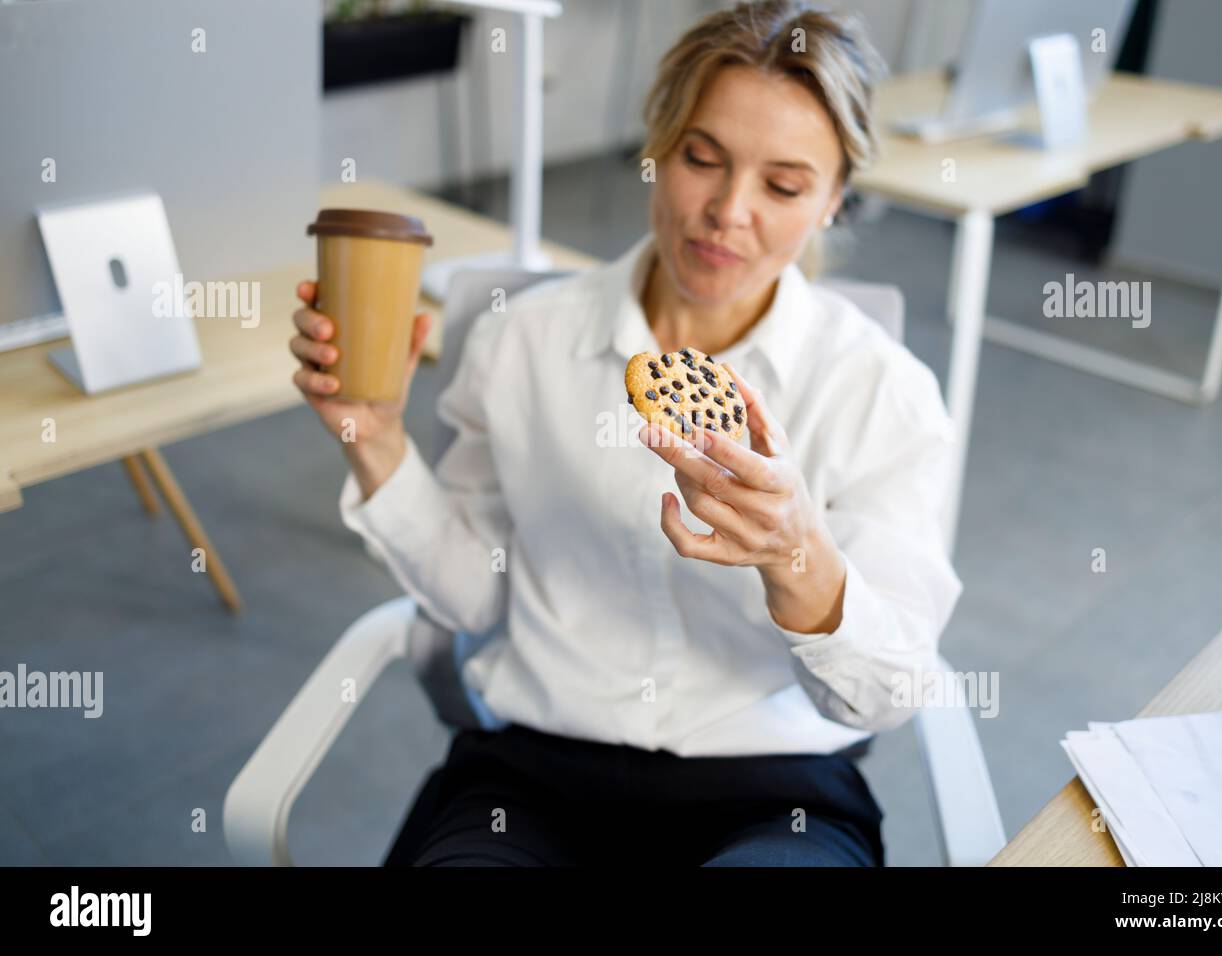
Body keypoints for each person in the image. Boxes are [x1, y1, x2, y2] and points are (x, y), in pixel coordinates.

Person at [289, 0, 960, 867]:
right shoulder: (522, 339)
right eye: (701, 158)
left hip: (774, 789)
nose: (728, 210)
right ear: (657, 146)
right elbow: (473, 596)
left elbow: (889, 692)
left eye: (784, 186)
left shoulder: (882, 392)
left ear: (834, 199)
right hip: (533, 775)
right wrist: (374, 438)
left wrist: (798, 557)